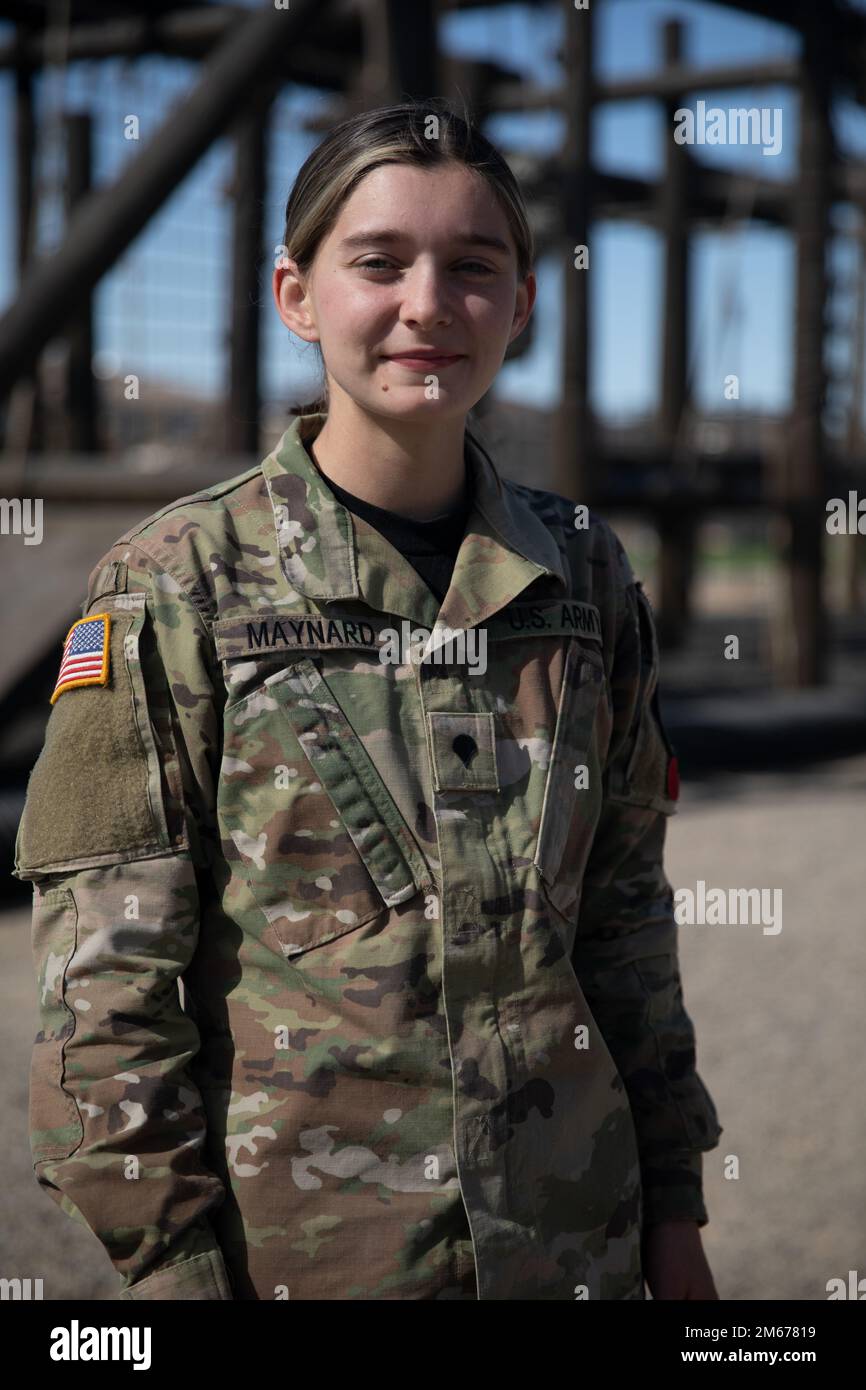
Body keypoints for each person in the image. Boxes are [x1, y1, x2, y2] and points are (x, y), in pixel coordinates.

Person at [13, 98, 722, 1301]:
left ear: (523, 303)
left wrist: (673, 1216)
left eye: (473, 267)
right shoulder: (176, 585)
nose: (429, 305)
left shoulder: (582, 574)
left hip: (573, 1249)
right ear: (297, 295)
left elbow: (622, 919)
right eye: (379, 263)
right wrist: (173, 1268)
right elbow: (106, 992)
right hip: (308, 1263)